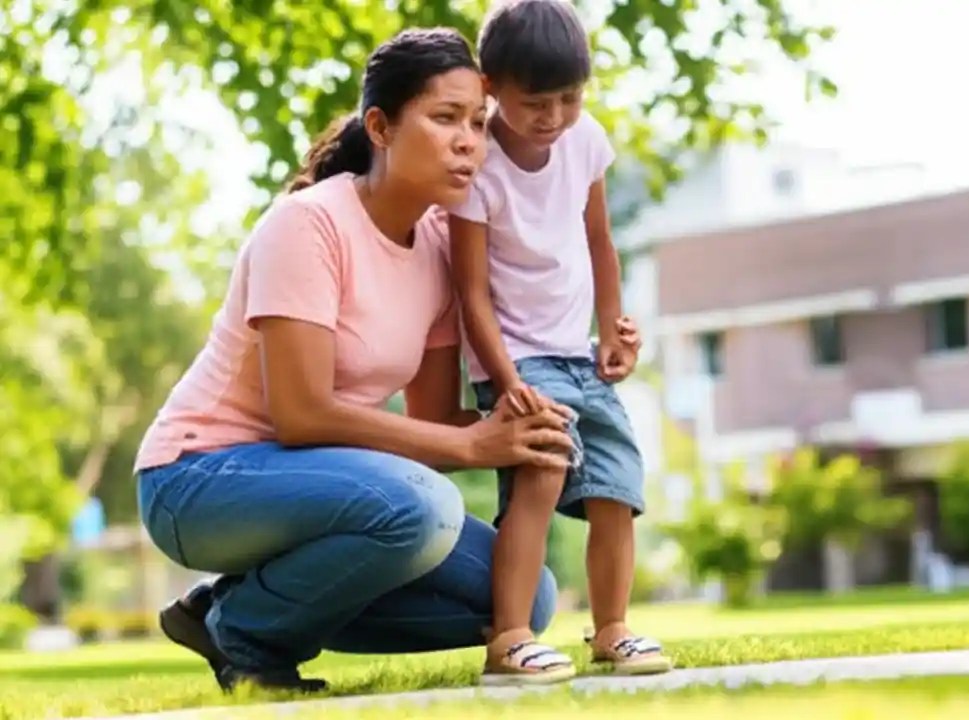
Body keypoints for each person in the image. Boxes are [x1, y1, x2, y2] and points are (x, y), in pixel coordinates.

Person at [134, 26, 637, 694]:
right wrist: (477, 446)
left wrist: (529, 428)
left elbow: (436, 422)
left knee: (524, 598)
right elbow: (301, 415)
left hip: (319, 491)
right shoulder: (307, 224)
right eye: (445, 118)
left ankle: (242, 607)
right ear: (381, 126)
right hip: (197, 481)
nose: (469, 141)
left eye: (480, 124)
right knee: (421, 507)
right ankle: (247, 632)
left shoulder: (439, 248)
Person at [448, 0, 671, 686]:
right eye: (535, 102)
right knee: (540, 475)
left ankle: (612, 631)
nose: (554, 116)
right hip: (515, 354)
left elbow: (599, 240)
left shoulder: (586, 141)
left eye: (570, 98)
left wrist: (614, 327)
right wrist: (506, 377)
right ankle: (509, 638)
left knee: (615, 486)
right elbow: (471, 292)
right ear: (491, 88)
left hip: (579, 354)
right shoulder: (478, 165)